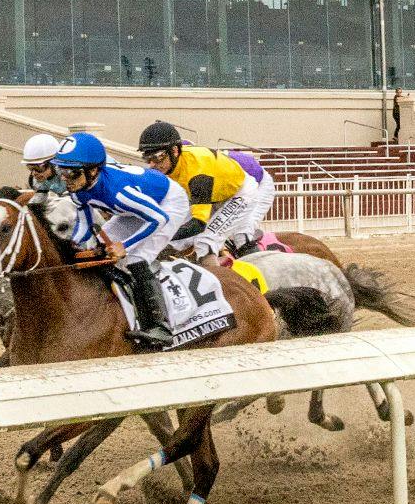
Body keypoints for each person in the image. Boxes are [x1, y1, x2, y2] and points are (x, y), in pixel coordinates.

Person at [48, 131, 184, 347]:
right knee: (97, 247)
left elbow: (158, 219)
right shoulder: (79, 189)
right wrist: (72, 247)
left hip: (168, 204)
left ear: (92, 171)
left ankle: (161, 326)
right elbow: (83, 228)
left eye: (72, 173)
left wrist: (125, 245)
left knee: (136, 258)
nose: (65, 179)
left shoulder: (118, 192)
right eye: (62, 171)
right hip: (133, 211)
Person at [138, 120, 265, 263]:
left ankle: (221, 282)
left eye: (157, 157)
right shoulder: (168, 167)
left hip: (239, 193)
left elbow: (198, 224)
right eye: (147, 158)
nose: (152, 164)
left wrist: (163, 234)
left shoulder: (198, 173)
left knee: (205, 242)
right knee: (172, 241)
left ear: (174, 151)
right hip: (213, 194)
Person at [21, 132, 65, 199]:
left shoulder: (68, 177)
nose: (34, 173)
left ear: (54, 164)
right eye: (30, 168)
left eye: (37, 168)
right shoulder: (34, 182)